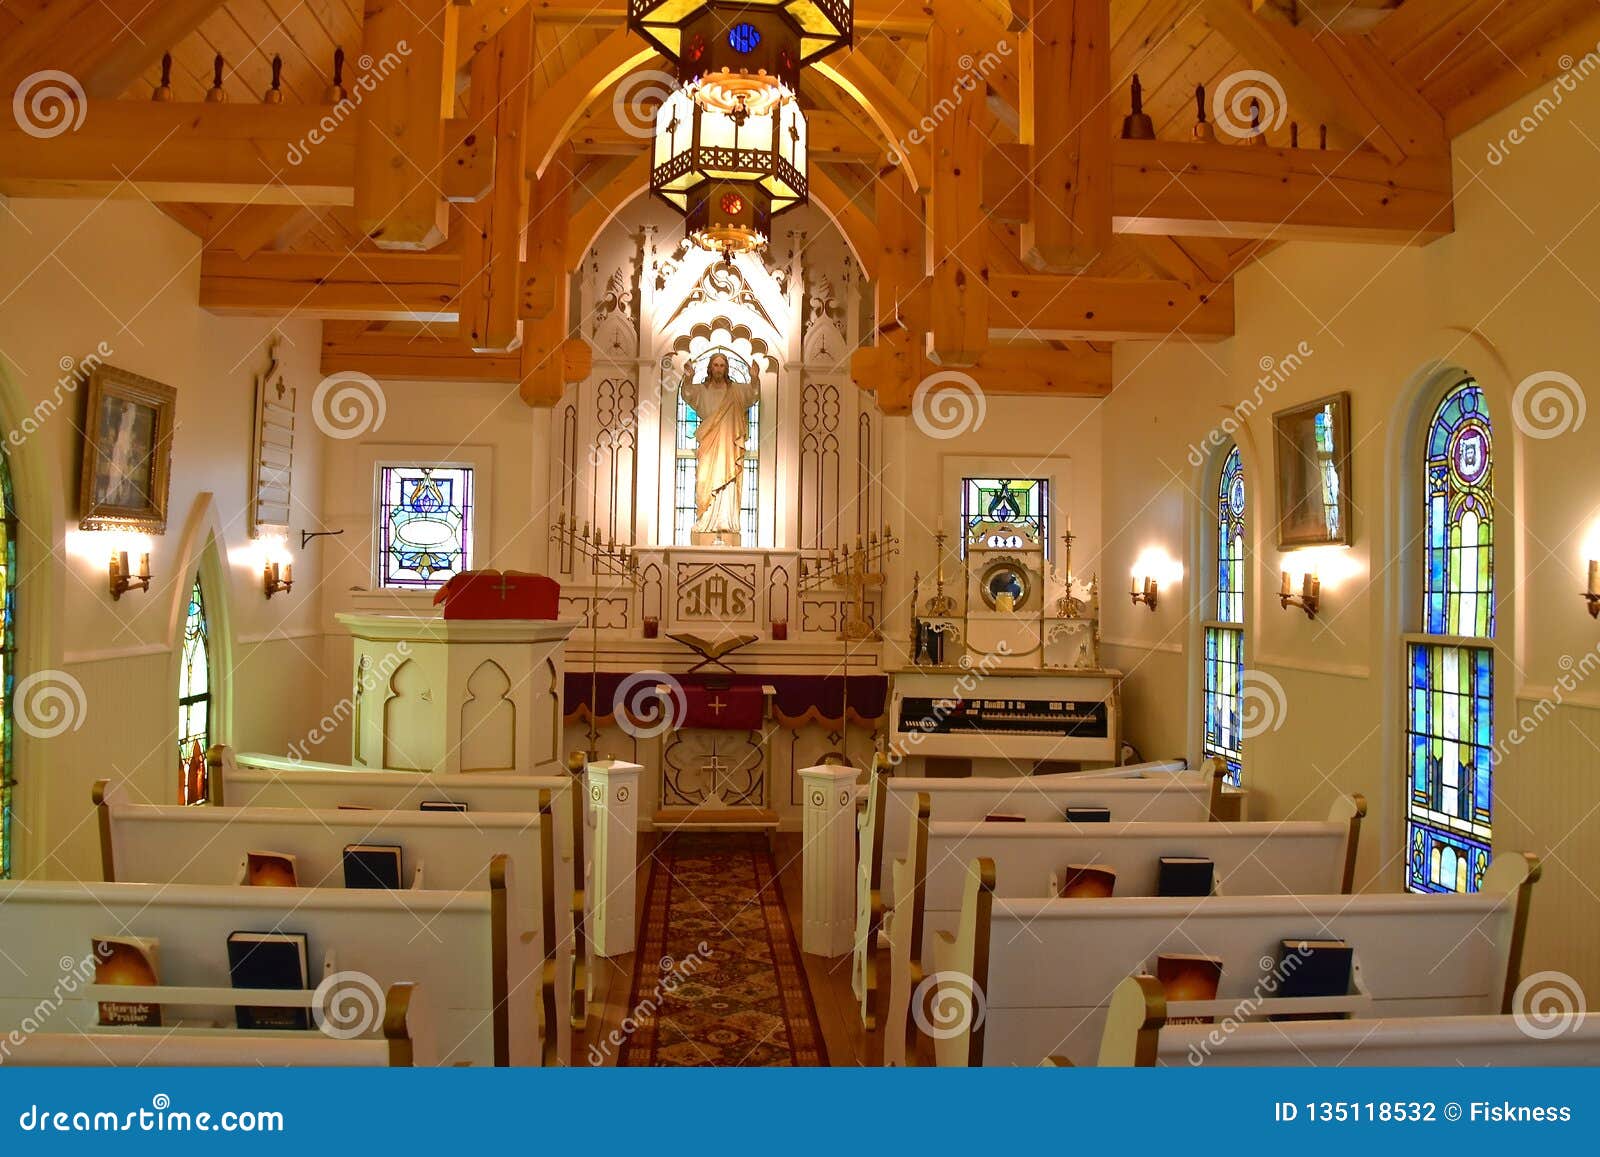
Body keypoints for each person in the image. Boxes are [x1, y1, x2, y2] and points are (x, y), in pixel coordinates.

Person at [681, 352, 759, 544]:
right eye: (715, 365)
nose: (718, 369)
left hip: (729, 445)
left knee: (728, 479)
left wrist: (755, 378)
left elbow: (752, 394)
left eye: (721, 365)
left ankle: (726, 520)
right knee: (705, 479)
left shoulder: (736, 391)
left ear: (726, 368)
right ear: (710, 368)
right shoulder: (703, 390)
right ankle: (706, 520)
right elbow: (688, 394)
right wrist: (688, 378)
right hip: (709, 442)